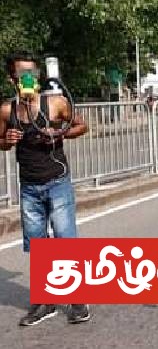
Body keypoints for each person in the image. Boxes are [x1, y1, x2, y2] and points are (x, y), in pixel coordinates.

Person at [0, 51, 91, 326]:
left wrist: (59, 133)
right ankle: (45, 301)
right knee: (39, 247)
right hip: (29, 186)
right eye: (22, 74)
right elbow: (0, 141)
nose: (28, 79)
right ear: (12, 78)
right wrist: (7, 139)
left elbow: (82, 125)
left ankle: (77, 300)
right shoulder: (7, 109)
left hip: (57, 182)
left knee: (65, 241)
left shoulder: (55, 103)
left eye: (32, 74)